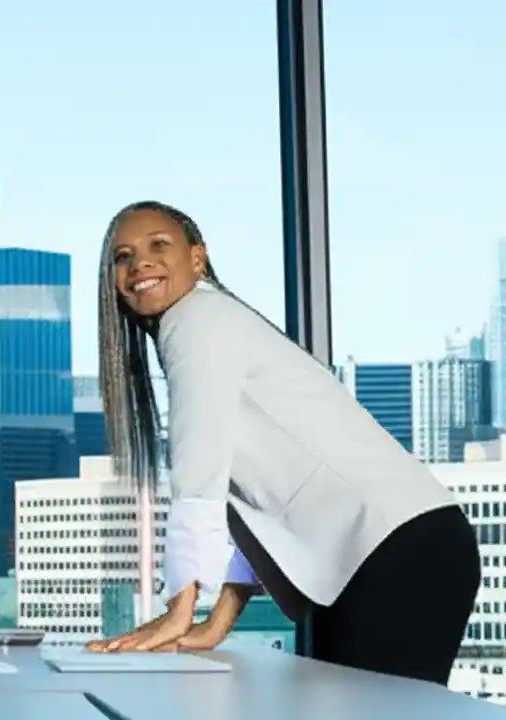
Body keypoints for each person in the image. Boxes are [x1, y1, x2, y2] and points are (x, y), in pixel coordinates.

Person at [84, 201, 481, 686]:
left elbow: (198, 474)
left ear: (197, 259)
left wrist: (179, 611)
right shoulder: (208, 325)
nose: (139, 262)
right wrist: (220, 619)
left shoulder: (196, 320)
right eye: (123, 256)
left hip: (396, 554)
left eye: (158, 245)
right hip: (392, 555)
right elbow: (257, 510)